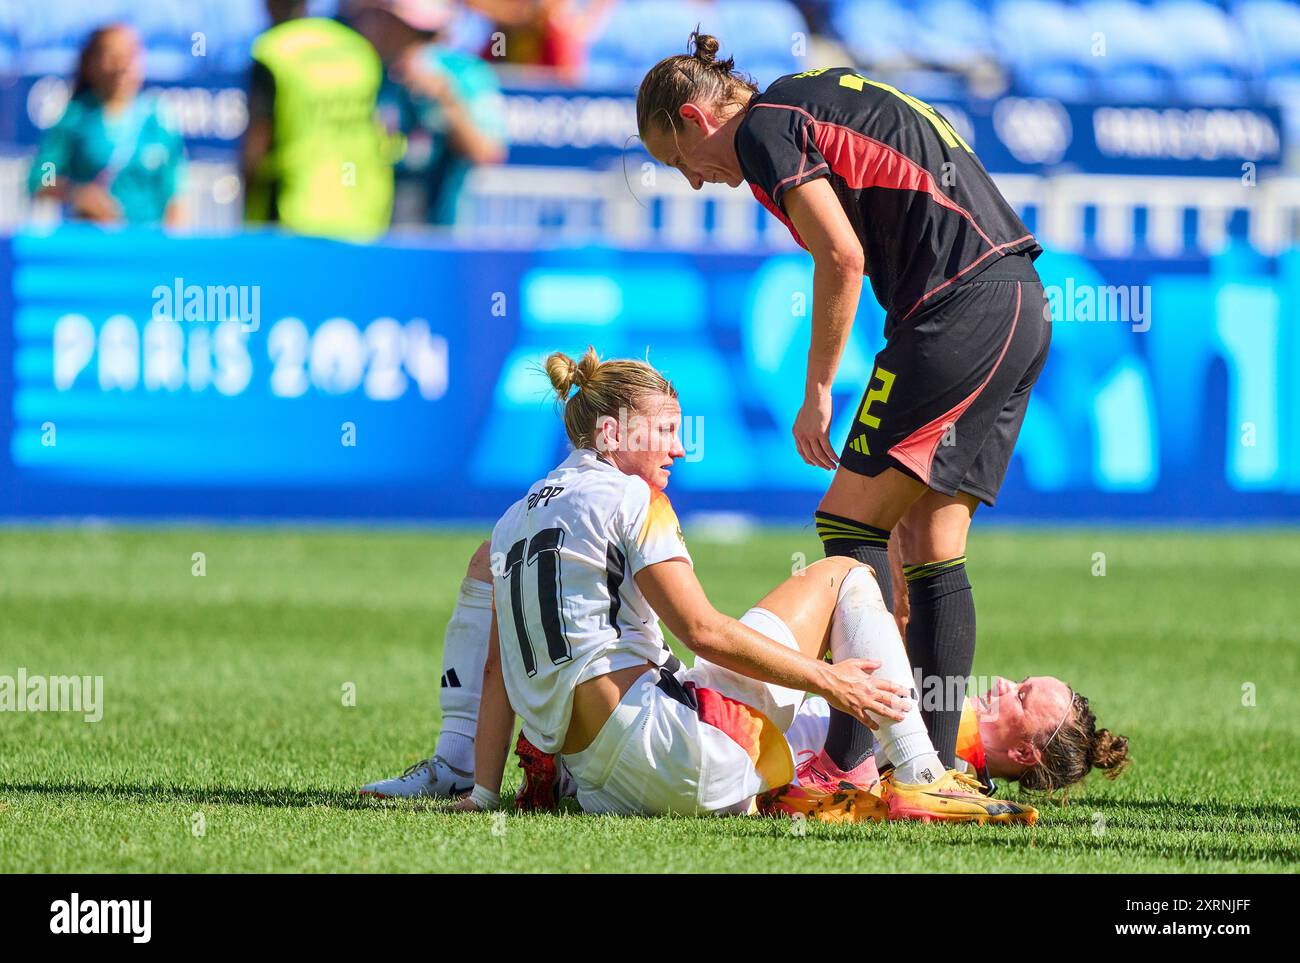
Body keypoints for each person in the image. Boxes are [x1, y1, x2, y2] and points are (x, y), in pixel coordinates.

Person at [366, 347, 1039, 823]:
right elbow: (704, 630)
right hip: (671, 758)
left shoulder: (511, 520)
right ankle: (920, 775)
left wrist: (485, 794)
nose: (680, 448)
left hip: (596, 784)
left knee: (722, 679)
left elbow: (496, 666)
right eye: (664, 431)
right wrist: (830, 679)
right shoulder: (632, 499)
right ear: (610, 432)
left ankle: (831, 769)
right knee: (846, 576)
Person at [634, 33, 1053, 784]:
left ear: (697, 119)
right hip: (1017, 301)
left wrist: (819, 387)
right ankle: (927, 774)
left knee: (849, 525)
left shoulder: (764, 128)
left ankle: (858, 764)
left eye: (678, 163)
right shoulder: (806, 95)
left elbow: (841, 256)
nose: (695, 183)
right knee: (929, 542)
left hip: (958, 308)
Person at [241, 0, 394, 239]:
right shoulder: (357, 47)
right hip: (365, 216)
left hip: (294, 218)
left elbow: (256, 148)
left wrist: (244, 209)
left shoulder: (272, 50)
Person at [349, 0, 506, 226]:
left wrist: (447, 102)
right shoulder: (367, 74)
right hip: (376, 233)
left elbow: (487, 153)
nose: (382, 28)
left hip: (441, 235)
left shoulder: (466, 74)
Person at [28, 24, 186, 227]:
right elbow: (42, 178)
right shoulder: (75, 118)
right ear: (90, 63)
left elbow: (175, 192)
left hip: (146, 246)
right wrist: (76, 193)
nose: (122, 66)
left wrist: (171, 247)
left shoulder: (159, 121)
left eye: (130, 55)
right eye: (112, 56)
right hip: (92, 246)